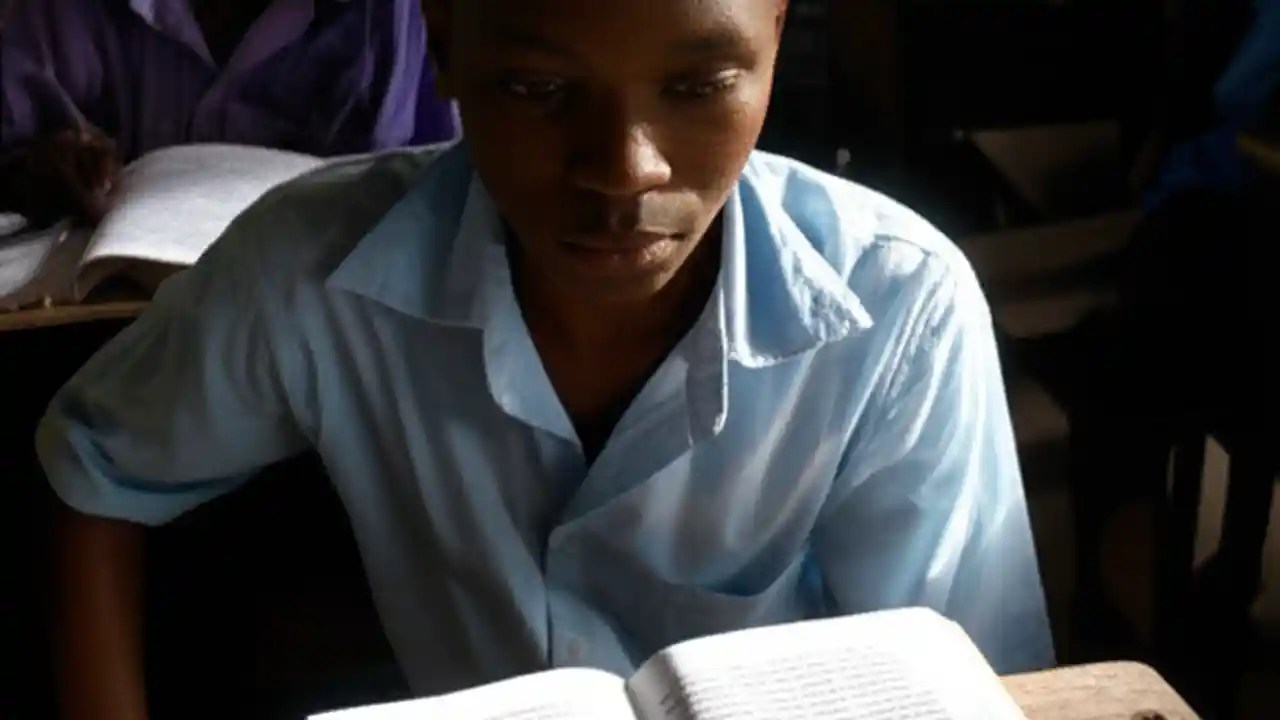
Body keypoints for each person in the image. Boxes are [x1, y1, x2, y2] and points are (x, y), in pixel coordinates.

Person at [37, 0, 1054, 715]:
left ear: (776, 34)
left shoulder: (896, 313)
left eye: (697, 84)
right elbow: (94, 471)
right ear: (439, 40)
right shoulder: (312, 274)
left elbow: (966, 682)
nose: (623, 167)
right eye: (536, 87)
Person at [0, 0, 459, 228]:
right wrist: (28, 172)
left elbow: (448, 200)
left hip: (326, 337)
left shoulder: (399, 17)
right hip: (101, 335)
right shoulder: (72, 10)